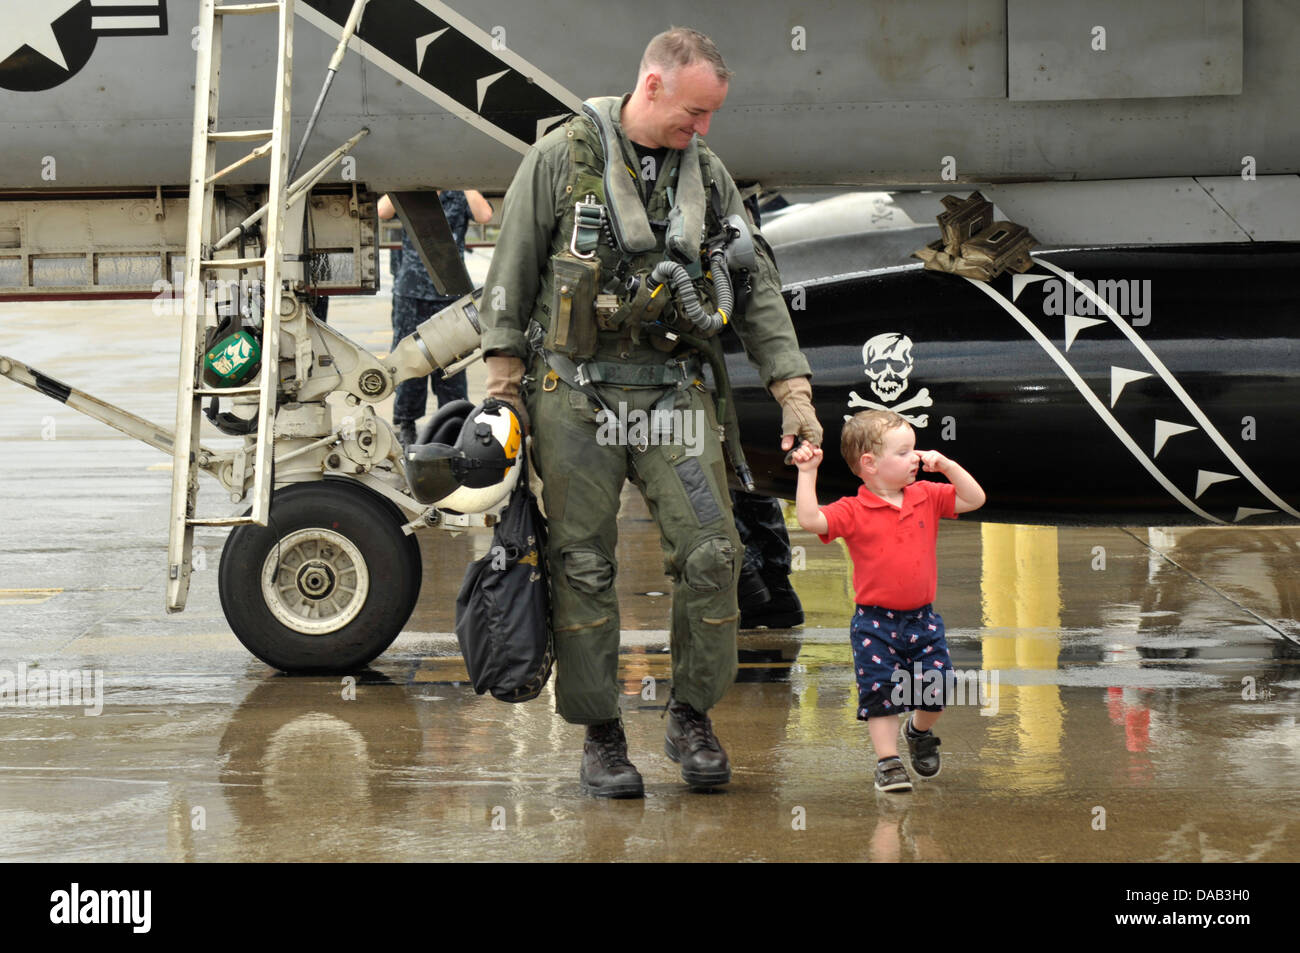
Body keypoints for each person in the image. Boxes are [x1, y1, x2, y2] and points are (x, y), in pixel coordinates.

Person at [478, 27, 823, 798]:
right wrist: (503, 398)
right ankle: (602, 736)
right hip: (576, 396)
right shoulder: (561, 158)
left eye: (711, 117)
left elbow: (755, 285)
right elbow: (511, 271)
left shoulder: (710, 174)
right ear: (654, 84)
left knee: (712, 555)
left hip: (674, 394)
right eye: (694, 112)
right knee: (583, 565)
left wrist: (792, 390)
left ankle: (692, 716)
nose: (701, 130)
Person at [791, 410, 985, 793]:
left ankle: (918, 732)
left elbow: (974, 498)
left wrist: (945, 465)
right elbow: (811, 520)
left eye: (914, 449)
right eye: (904, 452)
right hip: (874, 622)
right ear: (870, 464)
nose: (915, 457)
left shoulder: (926, 496)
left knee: (938, 688)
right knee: (882, 693)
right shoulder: (852, 509)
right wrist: (808, 472)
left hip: (922, 619)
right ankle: (888, 762)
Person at [378, 189, 494, 447]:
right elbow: (382, 211)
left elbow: (484, 215)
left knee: (454, 361)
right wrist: (410, 177)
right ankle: (406, 423)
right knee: (410, 359)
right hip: (412, 291)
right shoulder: (414, 192)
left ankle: (454, 422)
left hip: (451, 292)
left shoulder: (459, 194)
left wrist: (463, 179)